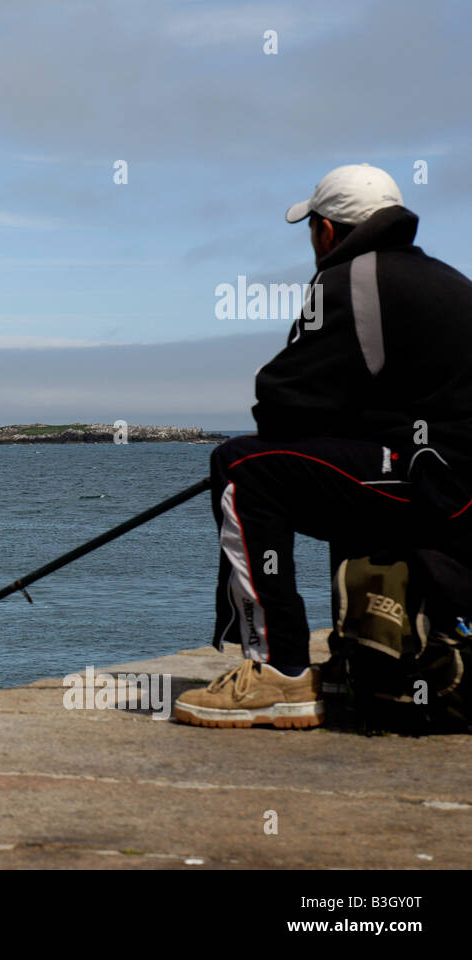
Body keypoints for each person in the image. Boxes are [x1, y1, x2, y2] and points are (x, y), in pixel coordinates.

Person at [173, 164, 472, 729]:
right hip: (449, 481)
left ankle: (277, 671)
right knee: (346, 463)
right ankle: (357, 653)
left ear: (327, 231)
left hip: (439, 481)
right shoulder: (448, 279)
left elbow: (281, 401)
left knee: (243, 465)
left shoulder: (348, 281)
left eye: (311, 227)